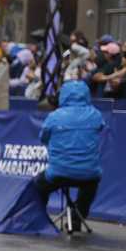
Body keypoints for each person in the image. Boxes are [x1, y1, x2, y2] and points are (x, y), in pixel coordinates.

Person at [35, 80, 104, 231]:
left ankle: (39, 219)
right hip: (89, 173)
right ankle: (77, 219)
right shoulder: (96, 115)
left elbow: (43, 138)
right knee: (91, 183)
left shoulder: (54, 116)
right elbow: (100, 128)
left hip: (58, 172)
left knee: (37, 186)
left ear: (63, 96)